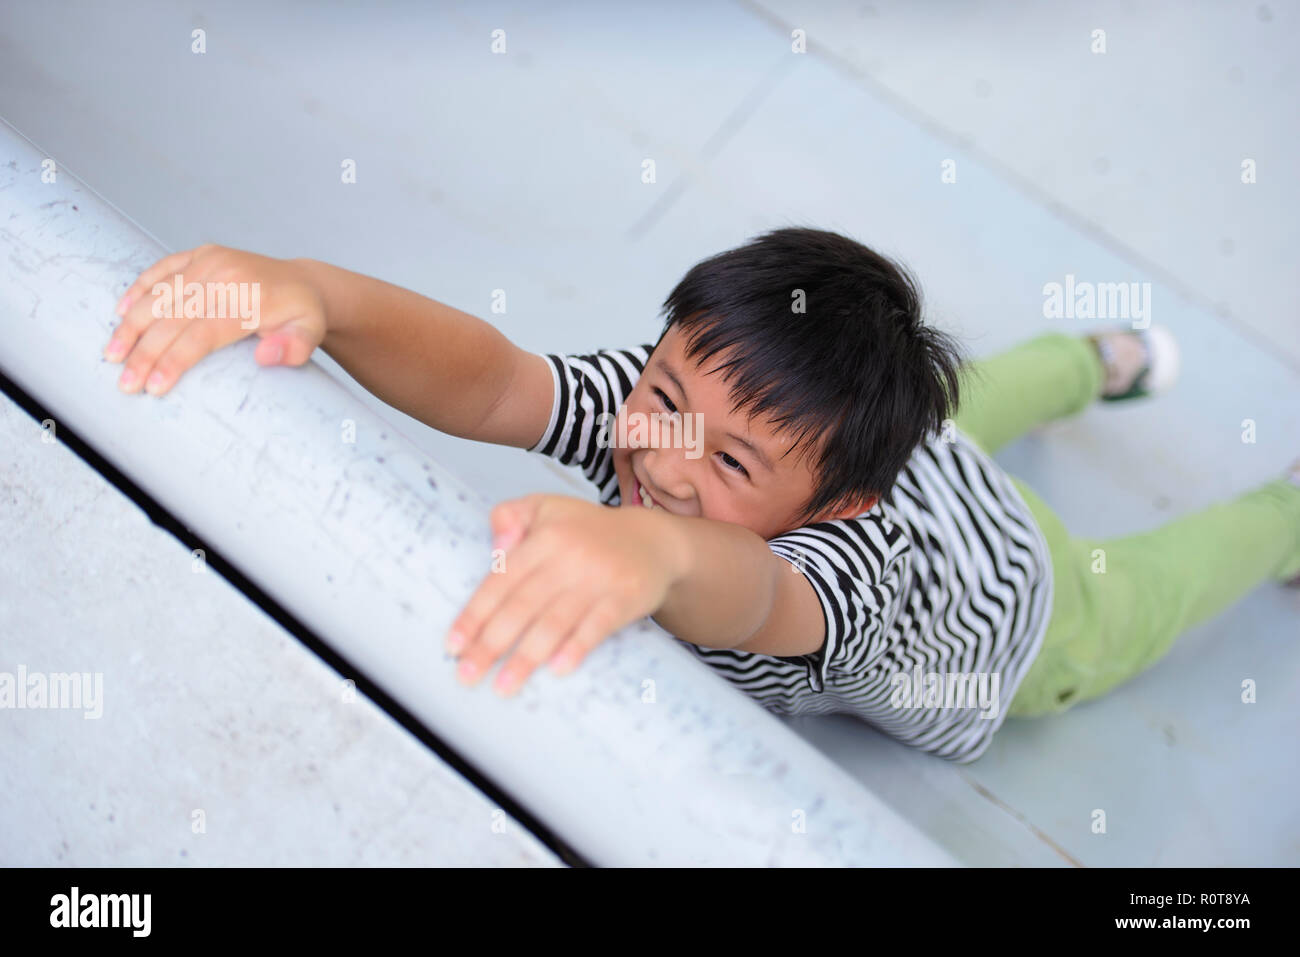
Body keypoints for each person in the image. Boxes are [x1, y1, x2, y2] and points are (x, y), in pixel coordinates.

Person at [103, 228, 1300, 763]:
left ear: (834, 512)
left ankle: (1281, 511)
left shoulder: (840, 568)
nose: (665, 460)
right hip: (917, 458)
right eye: (666, 390)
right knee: (956, 401)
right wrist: (318, 290)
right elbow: (493, 382)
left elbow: (757, 593)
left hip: (1024, 614)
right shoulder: (665, 423)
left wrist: (660, 557)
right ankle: (1090, 361)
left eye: (726, 467)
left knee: (1166, 579)